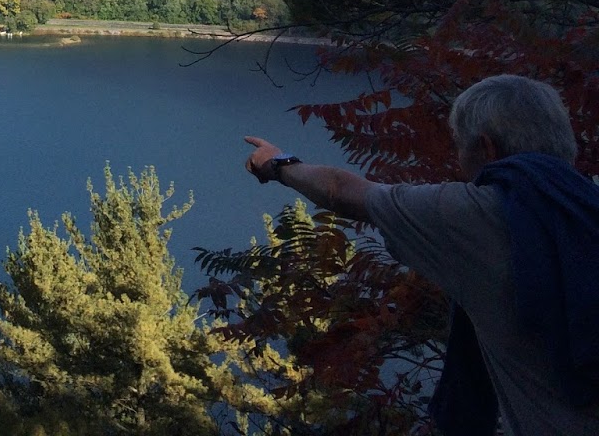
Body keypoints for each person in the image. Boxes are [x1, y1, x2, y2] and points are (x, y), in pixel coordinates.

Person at [243, 73, 599, 436]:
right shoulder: (586, 208)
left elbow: (340, 192)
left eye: (460, 146)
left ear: (487, 149)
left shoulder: (475, 216)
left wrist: (279, 164)